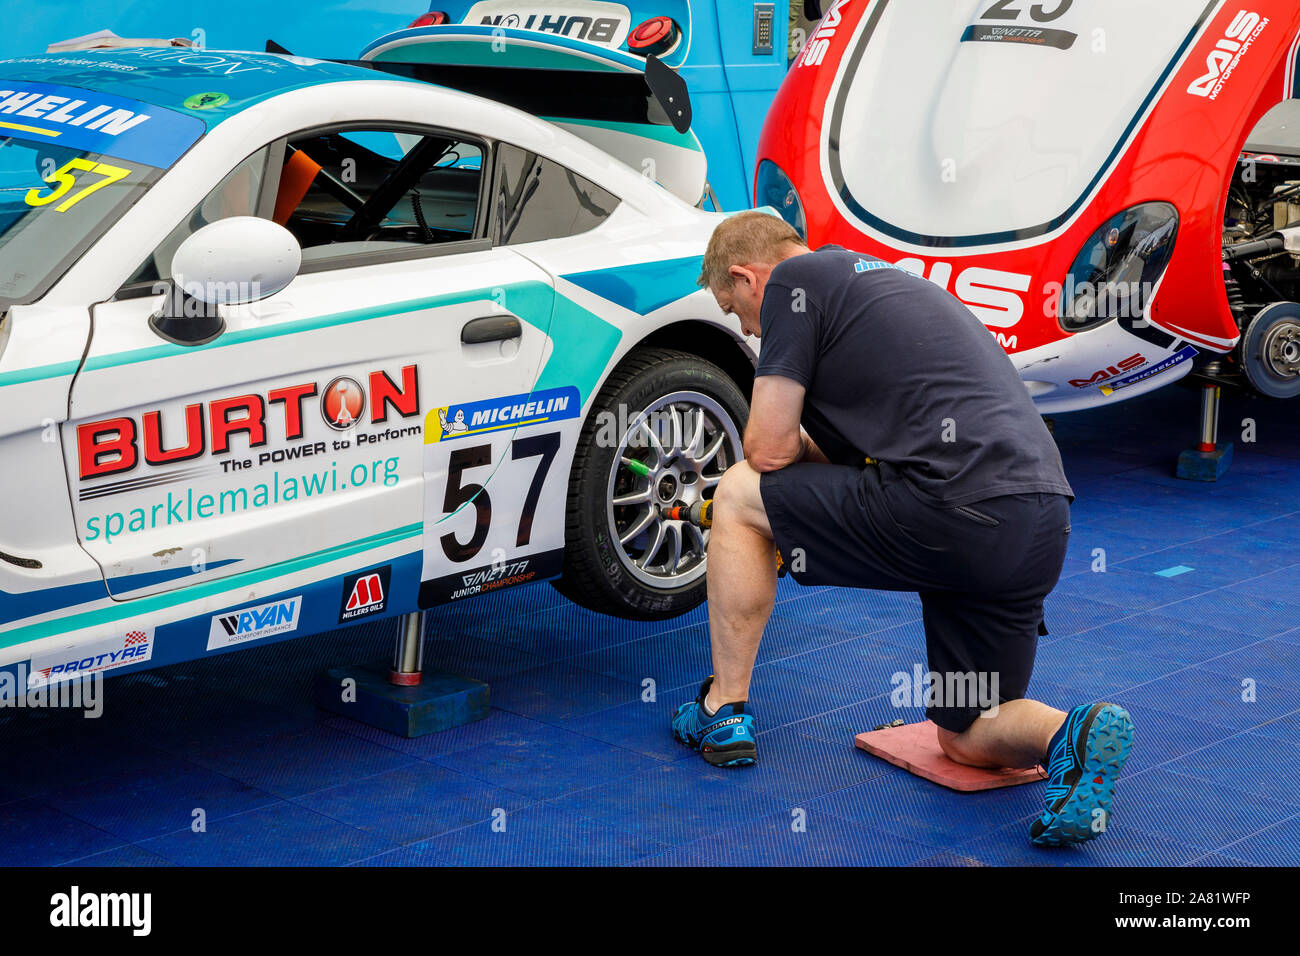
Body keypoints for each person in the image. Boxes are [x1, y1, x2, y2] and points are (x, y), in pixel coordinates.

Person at [671, 211, 1134, 847]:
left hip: (949, 507)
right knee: (966, 731)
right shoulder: (885, 286)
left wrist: (739, 510)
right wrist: (793, 508)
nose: (747, 328)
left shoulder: (793, 284)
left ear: (746, 277)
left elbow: (770, 451)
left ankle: (723, 709)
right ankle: (1070, 731)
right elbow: (841, 458)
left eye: (734, 310)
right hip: (1039, 518)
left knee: (741, 492)